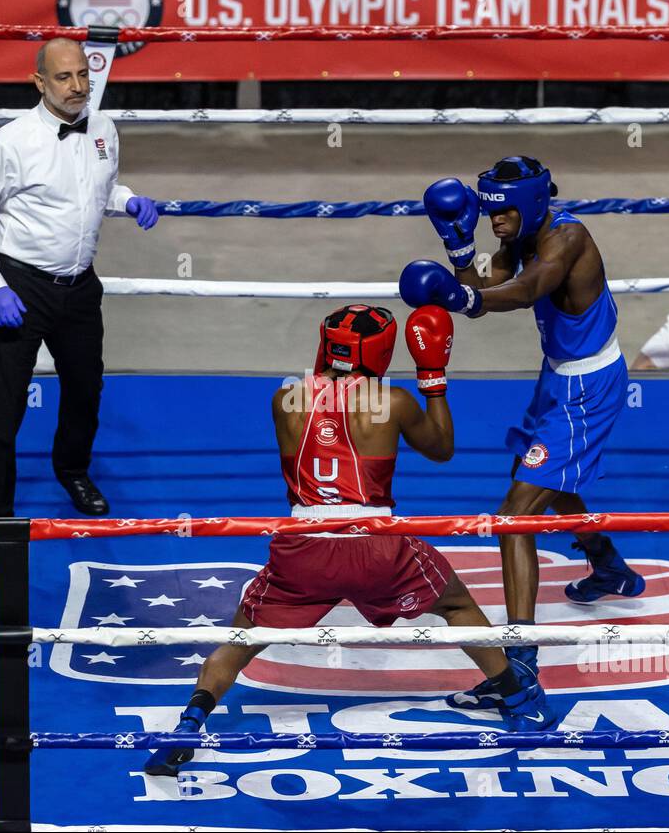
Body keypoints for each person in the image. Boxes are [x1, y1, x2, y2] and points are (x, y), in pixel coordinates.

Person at [144, 304, 553, 777]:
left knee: (239, 640)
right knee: (457, 606)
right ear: (381, 352)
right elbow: (442, 449)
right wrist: (433, 376)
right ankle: (522, 701)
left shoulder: (284, 399)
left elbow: (326, 412)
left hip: (304, 545)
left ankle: (188, 726)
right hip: (375, 544)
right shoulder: (394, 401)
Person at [400, 155, 644, 712]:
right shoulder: (521, 234)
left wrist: (466, 295)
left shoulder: (567, 241)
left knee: (514, 516)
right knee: (547, 481)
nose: (494, 224)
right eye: (487, 215)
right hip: (557, 377)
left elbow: (528, 289)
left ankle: (520, 666)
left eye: (502, 213)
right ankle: (607, 564)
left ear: (531, 203)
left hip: (588, 387)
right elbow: (480, 297)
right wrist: (459, 252)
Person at [0, 38, 160, 538]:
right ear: (39, 82)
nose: (76, 86)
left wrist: (128, 201)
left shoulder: (104, 128)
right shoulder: (11, 142)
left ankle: (73, 471)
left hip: (81, 287)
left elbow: (98, 187)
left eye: (82, 76)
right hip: (22, 286)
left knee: (86, 389)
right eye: (63, 78)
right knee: (3, 406)